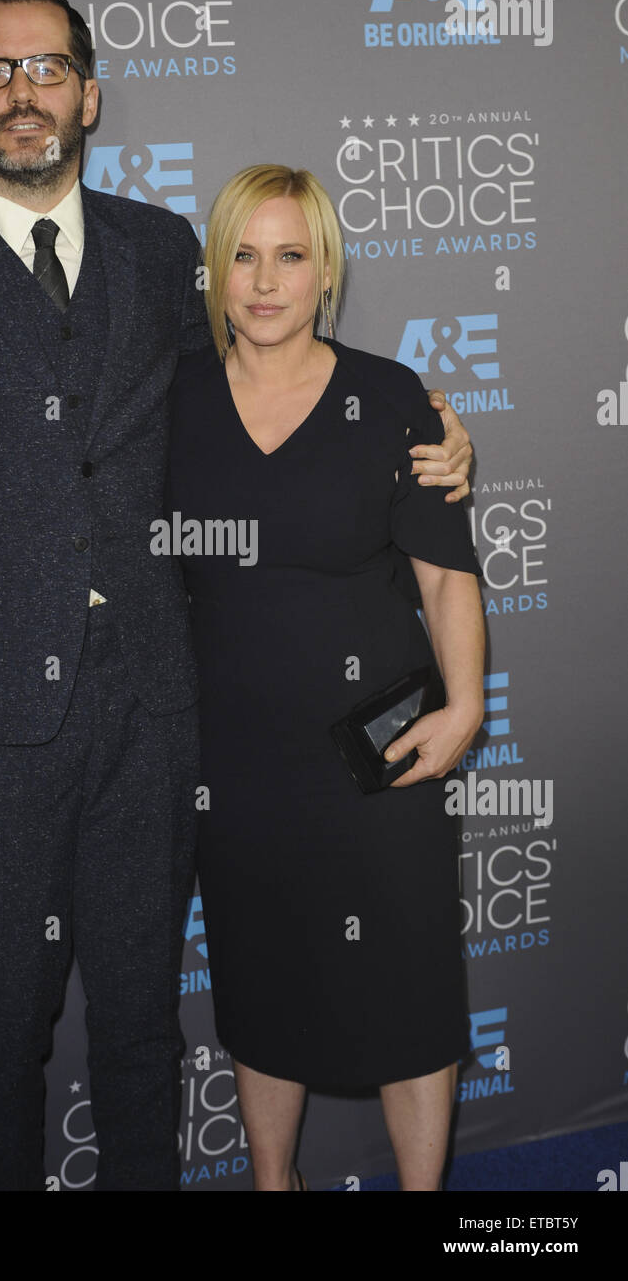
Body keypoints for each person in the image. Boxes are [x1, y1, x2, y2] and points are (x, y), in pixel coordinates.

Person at [0, 0, 473, 1193]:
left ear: (90, 94)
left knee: (140, 1028)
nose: (26, 95)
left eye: (49, 69)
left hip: (160, 716)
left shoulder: (165, 250)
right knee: (2, 1027)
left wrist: (426, 425)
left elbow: (269, 386)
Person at [167, 164, 485, 1191]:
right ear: (215, 272)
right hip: (235, 767)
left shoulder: (390, 395)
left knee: (411, 984)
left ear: (325, 273)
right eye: (244, 256)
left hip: (379, 752)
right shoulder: (171, 401)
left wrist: (467, 708)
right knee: (263, 986)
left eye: (290, 256)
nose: (266, 282)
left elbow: (446, 577)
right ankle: (275, 1185)